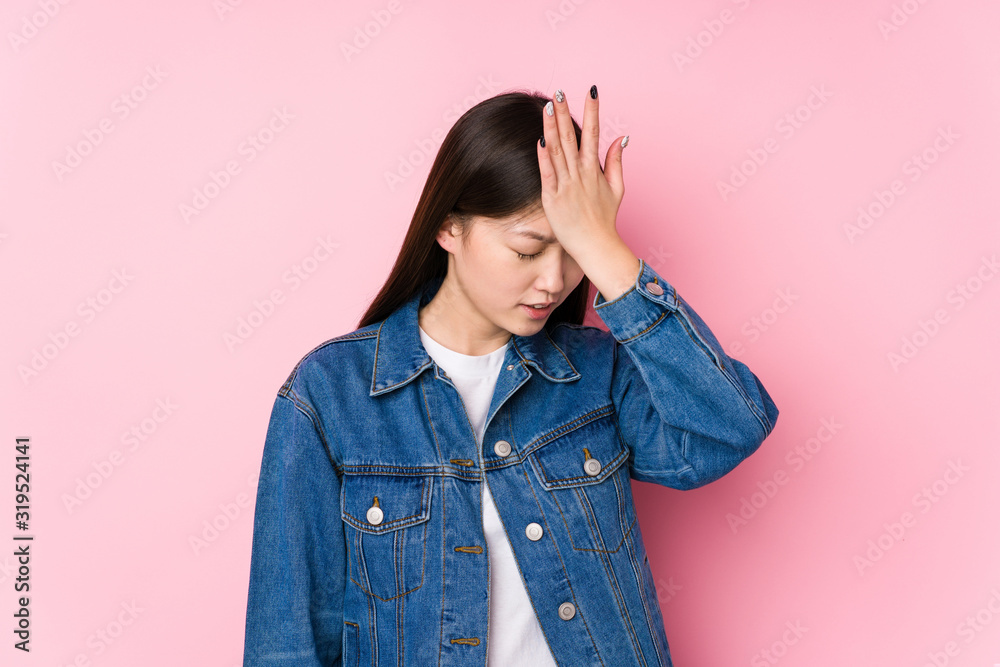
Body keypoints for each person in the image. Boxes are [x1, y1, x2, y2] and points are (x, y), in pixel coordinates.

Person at [242, 86, 779, 666]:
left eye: (573, 252)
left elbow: (727, 431)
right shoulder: (329, 397)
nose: (555, 281)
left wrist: (608, 253)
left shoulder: (596, 374)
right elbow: (287, 643)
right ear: (449, 230)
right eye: (528, 250)